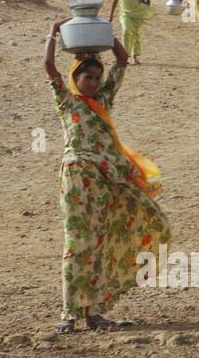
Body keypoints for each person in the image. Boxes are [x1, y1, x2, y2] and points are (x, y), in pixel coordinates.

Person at [44, 23, 171, 333]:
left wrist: (104, 32)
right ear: (76, 78)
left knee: (99, 243)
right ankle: (68, 314)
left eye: (97, 77)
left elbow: (123, 60)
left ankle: (94, 314)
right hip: (76, 176)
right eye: (87, 76)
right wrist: (54, 32)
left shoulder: (103, 101)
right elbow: (48, 66)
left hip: (105, 180)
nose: (93, 82)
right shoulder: (67, 102)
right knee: (77, 243)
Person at [108, 0, 154, 64]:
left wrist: (144, 0)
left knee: (136, 34)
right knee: (126, 31)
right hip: (125, 14)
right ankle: (125, 55)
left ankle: (135, 56)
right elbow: (115, 0)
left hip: (138, 14)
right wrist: (111, 15)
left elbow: (147, 0)